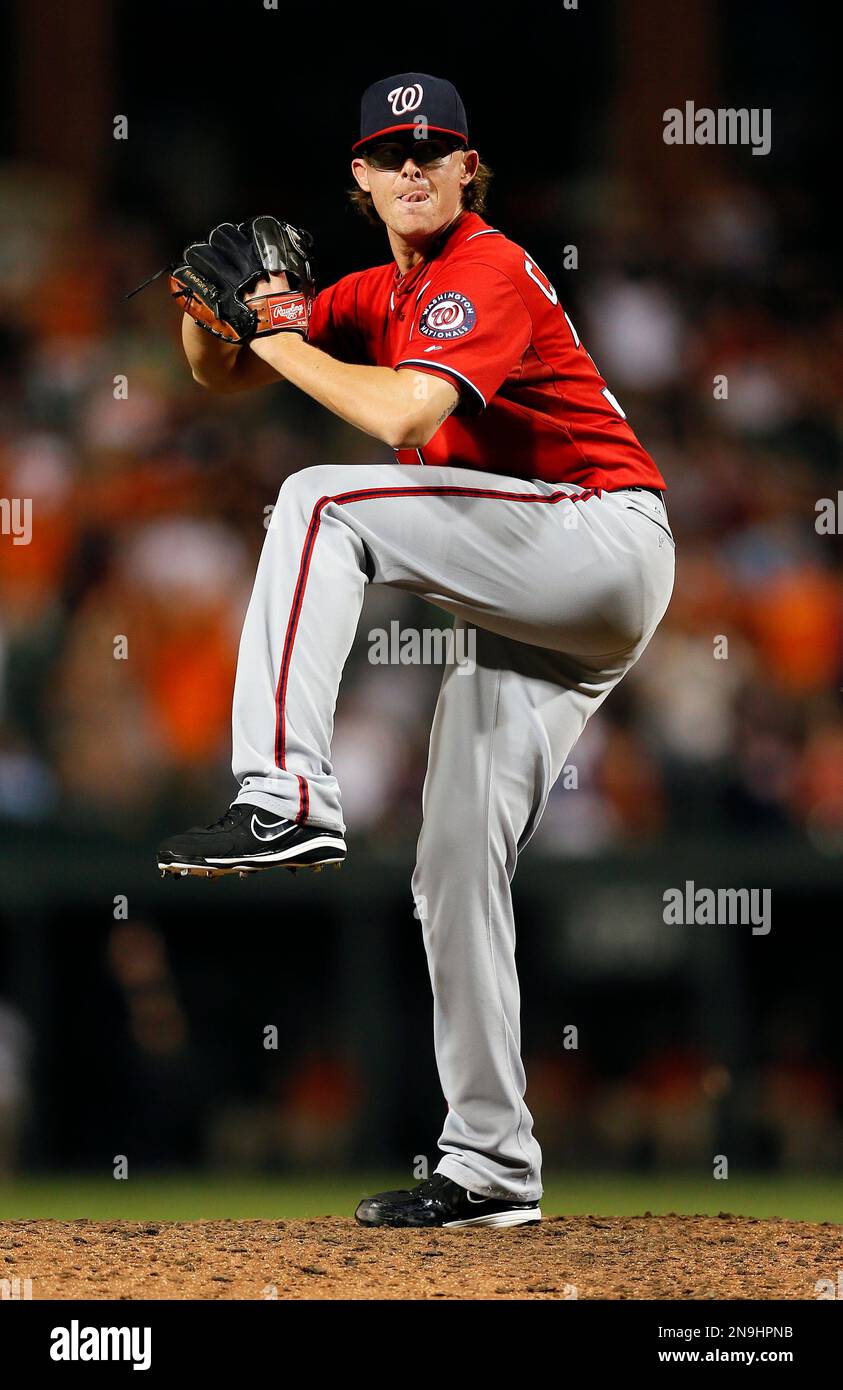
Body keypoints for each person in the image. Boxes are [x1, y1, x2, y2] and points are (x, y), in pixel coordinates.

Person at [157, 72, 676, 1228]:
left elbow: (400, 419)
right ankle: (491, 1164)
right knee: (451, 864)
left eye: (434, 151)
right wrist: (215, 320)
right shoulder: (376, 289)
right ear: (358, 177)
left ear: (468, 169)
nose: (412, 169)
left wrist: (277, 327)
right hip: (542, 593)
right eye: (391, 153)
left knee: (322, 501)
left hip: (600, 537)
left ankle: (286, 792)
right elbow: (225, 375)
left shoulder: (481, 266)